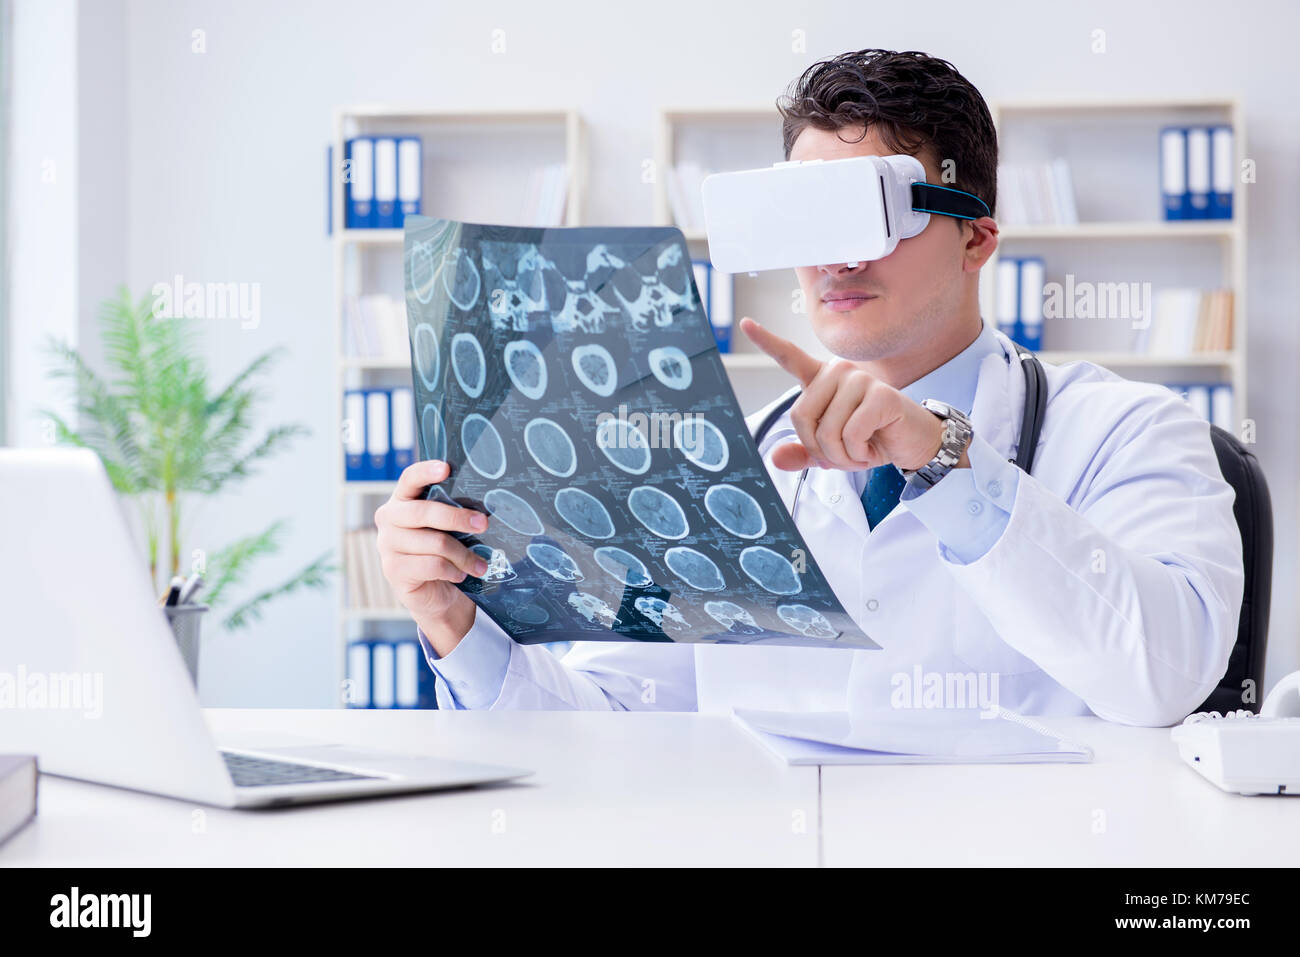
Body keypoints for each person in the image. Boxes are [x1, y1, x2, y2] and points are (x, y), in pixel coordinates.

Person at [373, 49, 1243, 726]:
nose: (838, 256)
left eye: (871, 212)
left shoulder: (1129, 429)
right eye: (809, 215)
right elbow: (619, 724)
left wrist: (942, 461)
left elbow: (1163, 677)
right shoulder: (723, 462)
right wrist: (455, 624)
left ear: (976, 238)